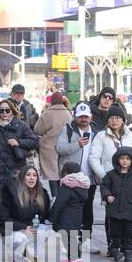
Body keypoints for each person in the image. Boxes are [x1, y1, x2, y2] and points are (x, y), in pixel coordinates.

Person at [88, 104, 132, 254]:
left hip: (130, 181)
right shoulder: (101, 136)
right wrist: (105, 177)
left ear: (123, 120)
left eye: (117, 117)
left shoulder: (131, 137)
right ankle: (112, 244)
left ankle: (126, 245)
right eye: (111, 117)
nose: (114, 120)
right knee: (111, 214)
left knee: (128, 214)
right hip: (110, 180)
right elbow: (94, 158)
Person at [0, 99, 38, 234]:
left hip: (15, 171)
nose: (4, 113)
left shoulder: (20, 126)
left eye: (7, 110)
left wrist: (18, 142)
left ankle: (12, 232)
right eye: (1, 110)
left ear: (12, 112)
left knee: (14, 202)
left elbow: (34, 141)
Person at [56, 103, 97, 251]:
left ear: (90, 117)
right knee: (69, 210)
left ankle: (85, 241)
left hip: (89, 179)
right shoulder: (68, 130)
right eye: (81, 117)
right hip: (71, 179)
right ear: (75, 117)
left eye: (86, 116)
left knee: (88, 210)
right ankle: (67, 240)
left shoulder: (96, 131)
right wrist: (77, 144)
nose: (84, 120)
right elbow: (59, 148)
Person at [99, 146, 132, 262]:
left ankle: (128, 251)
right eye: (122, 158)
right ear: (117, 160)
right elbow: (104, 186)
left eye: (127, 159)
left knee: (129, 231)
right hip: (114, 208)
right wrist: (107, 195)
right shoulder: (110, 175)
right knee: (114, 230)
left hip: (130, 208)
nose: (124, 161)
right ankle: (115, 248)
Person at [0, 165, 51, 262]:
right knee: (21, 237)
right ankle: (14, 255)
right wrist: (23, 227)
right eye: (28, 175)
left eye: (34, 175)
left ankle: (32, 255)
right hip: (13, 230)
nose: (32, 178)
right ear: (22, 177)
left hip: (31, 229)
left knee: (44, 230)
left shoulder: (42, 193)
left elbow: (45, 217)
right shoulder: (11, 193)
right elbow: (4, 220)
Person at [51, 161, 90, 262]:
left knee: (67, 239)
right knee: (72, 237)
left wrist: (52, 216)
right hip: (77, 217)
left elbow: (59, 203)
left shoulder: (67, 185)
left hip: (66, 217)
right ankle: (74, 257)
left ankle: (74, 259)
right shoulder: (83, 185)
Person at [33, 92, 72, 195]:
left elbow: (37, 130)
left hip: (49, 147)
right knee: (62, 171)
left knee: (51, 173)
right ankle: (62, 195)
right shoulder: (68, 114)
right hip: (64, 146)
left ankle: (54, 195)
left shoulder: (47, 113)